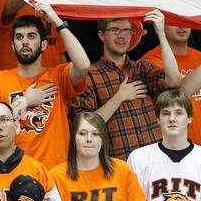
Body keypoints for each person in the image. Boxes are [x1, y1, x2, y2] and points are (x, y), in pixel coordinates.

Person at [0, 4, 88, 170]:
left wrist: (58, 22)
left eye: (31, 36)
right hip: (13, 171)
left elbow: (84, 65)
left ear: (43, 45)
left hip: (55, 172)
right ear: (13, 46)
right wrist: (25, 101)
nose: (25, 42)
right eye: (19, 37)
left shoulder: (57, 76)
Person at [73, 11, 187, 159]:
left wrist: (161, 34)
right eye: (115, 30)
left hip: (156, 162)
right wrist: (120, 97)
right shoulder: (89, 75)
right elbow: (85, 126)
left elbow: (174, 81)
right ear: (102, 35)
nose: (122, 36)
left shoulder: (142, 67)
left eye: (127, 30)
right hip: (118, 166)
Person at [143, 25, 201, 153]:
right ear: (161, 24)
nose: (181, 26)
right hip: (172, 154)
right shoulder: (150, 60)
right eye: (173, 21)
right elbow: (178, 93)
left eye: (183, 21)